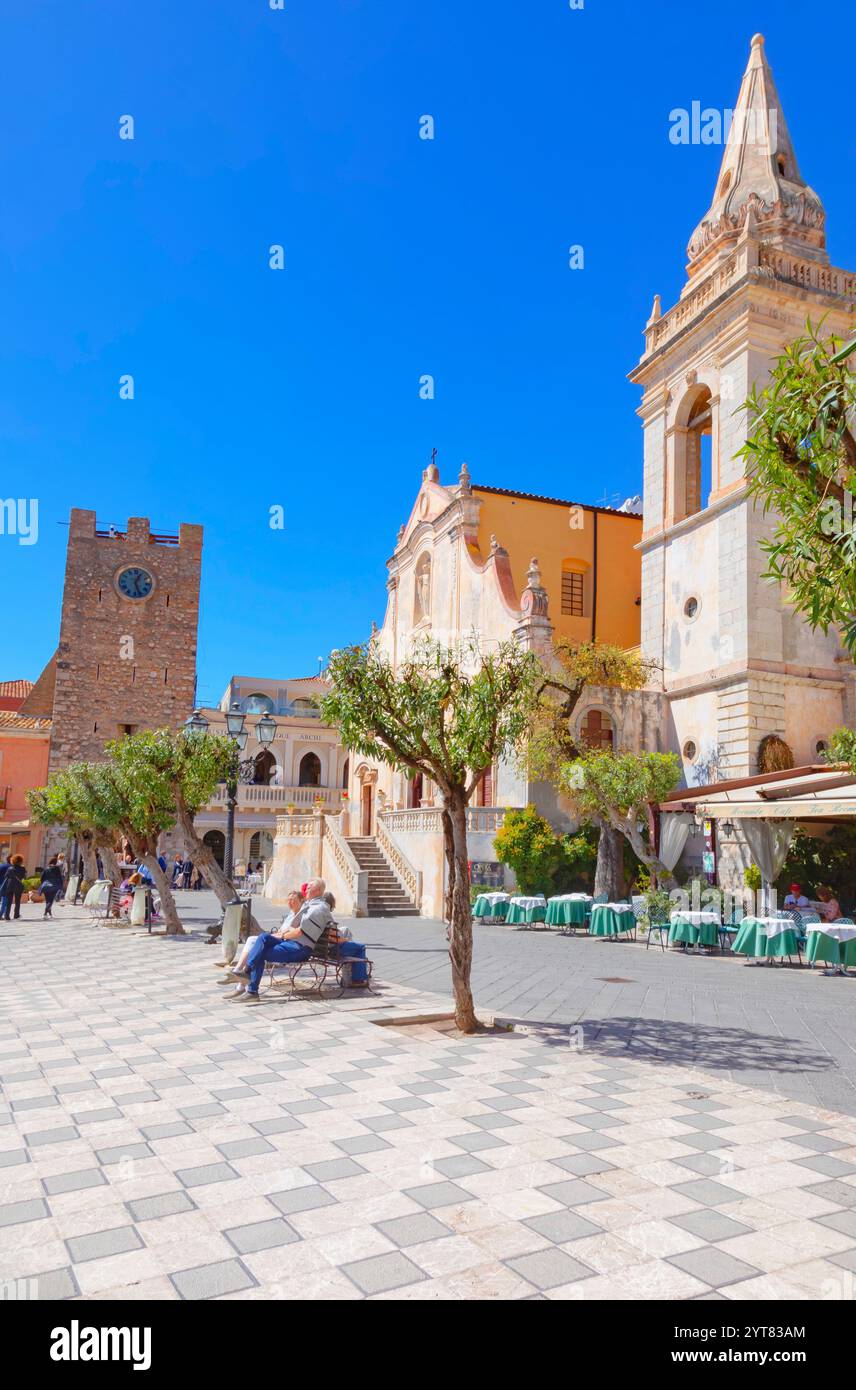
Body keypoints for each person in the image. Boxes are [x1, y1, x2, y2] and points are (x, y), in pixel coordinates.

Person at [230, 877, 333, 1002]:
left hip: (300, 948)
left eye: (310, 887)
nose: (306, 888)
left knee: (259, 953)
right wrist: (281, 934)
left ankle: (251, 987)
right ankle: (247, 974)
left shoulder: (318, 908)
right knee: (263, 937)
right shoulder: (310, 904)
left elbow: (301, 931)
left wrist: (282, 936)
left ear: (317, 891)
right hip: (291, 943)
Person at [222, 889, 305, 997]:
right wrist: (277, 933)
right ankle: (240, 980)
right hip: (280, 938)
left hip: (285, 941)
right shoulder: (290, 914)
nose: (290, 902)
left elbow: (292, 932)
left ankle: (239, 975)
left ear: (300, 901)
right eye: (288, 900)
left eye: (293, 900)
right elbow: (282, 930)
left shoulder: (300, 915)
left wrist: (278, 934)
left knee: (257, 945)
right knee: (252, 940)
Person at [0, 855, 27, 920]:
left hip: (10, 885)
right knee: (17, 901)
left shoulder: (10, 868)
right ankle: (16, 915)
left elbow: (6, 876)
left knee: (9, 901)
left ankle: (7, 916)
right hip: (18, 885)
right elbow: (23, 877)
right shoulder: (22, 868)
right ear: (21, 861)